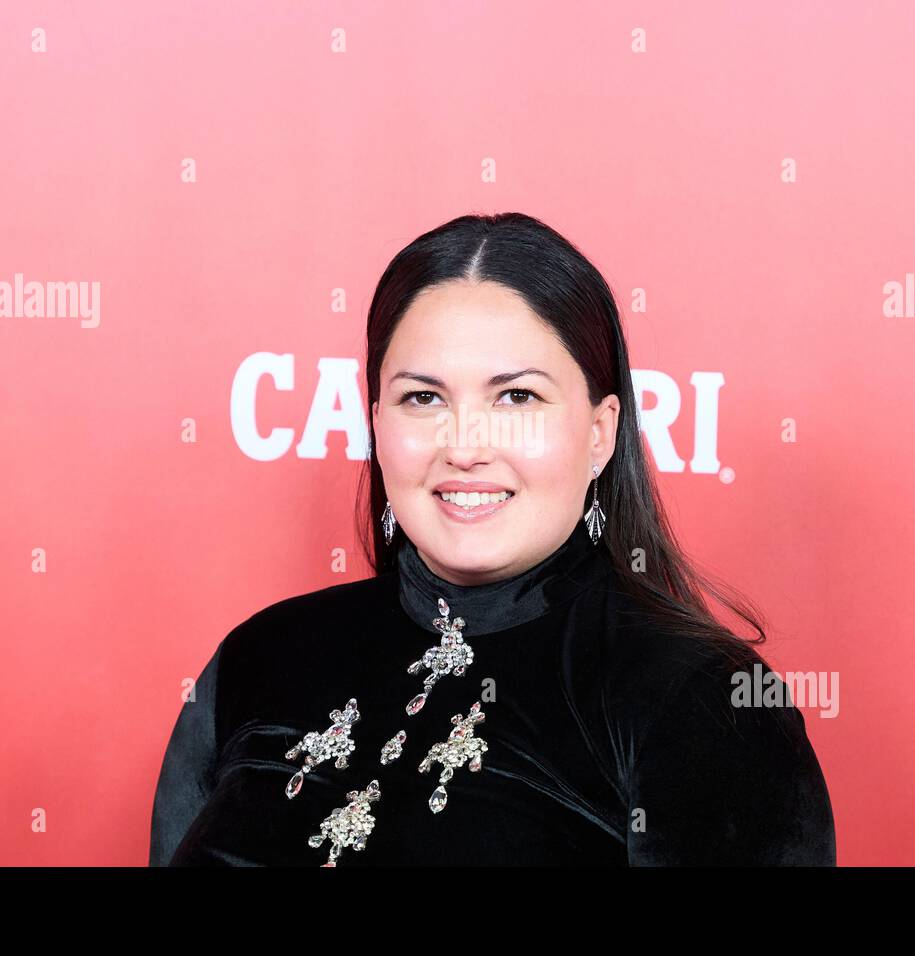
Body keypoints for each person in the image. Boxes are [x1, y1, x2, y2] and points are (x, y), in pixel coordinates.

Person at [148, 212, 836, 866]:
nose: (466, 448)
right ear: (377, 422)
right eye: (424, 398)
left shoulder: (705, 703)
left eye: (517, 398)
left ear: (600, 432)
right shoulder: (257, 659)